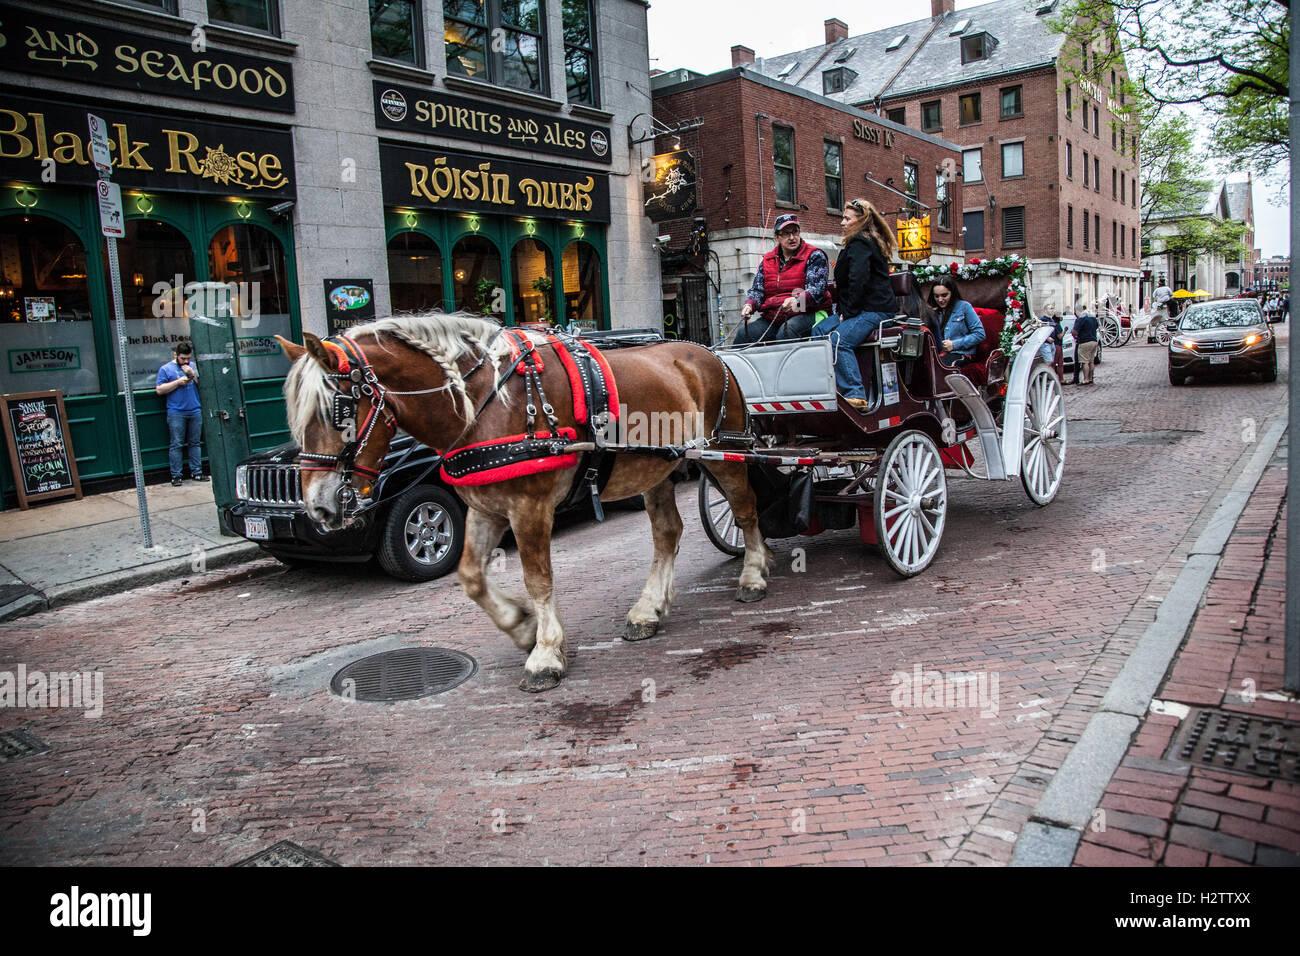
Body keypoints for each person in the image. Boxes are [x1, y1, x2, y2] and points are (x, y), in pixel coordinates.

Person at [812, 198, 899, 411]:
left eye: (846, 218)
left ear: (860, 221)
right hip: (858, 309)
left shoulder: (860, 243)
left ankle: (855, 394)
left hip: (875, 310)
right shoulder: (858, 242)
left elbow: (858, 280)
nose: (842, 222)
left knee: (838, 339)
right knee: (818, 331)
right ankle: (827, 386)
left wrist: (847, 313)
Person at [736, 213, 831, 343]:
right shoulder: (768, 260)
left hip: (808, 312)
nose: (792, 238)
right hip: (775, 316)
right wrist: (750, 305)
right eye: (786, 233)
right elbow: (757, 290)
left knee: (787, 332)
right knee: (744, 334)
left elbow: (816, 291)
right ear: (777, 237)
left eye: (795, 232)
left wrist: (797, 300)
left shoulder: (814, 255)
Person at [155, 341, 207, 486]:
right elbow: (159, 390)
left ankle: (196, 472)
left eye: (188, 358)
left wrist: (192, 374)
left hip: (195, 409)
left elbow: (204, 386)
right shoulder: (166, 369)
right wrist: (177, 382)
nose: (185, 361)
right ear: (176, 355)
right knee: (176, 444)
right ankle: (176, 475)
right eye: (183, 358)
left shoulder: (193, 366)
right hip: (176, 412)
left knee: (195, 443)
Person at [927, 276, 985, 368]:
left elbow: (979, 334)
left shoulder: (965, 307)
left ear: (952, 293)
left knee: (940, 367)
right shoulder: (932, 310)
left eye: (944, 295)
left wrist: (954, 344)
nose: (940, 300)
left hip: (961, 353)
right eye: (936, 296)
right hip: (937, 353)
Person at [1073, 306, 1100, 385]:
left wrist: (1074, 335)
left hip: (1084, 341)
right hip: (1094, 341)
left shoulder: (1081, 318)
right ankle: (1091, 378)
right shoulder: (1092, 317)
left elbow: (1075, 331)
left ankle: (1086, 379)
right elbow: (1097, 326)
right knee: (1091, 361)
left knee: (1085, 362)